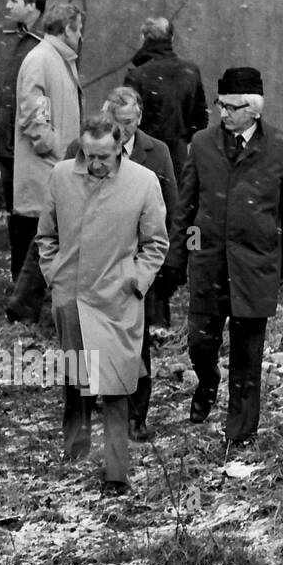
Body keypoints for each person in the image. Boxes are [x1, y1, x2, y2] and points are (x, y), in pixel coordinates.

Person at [161, 66, 283, 445]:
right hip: (208, 263)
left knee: (248, 356)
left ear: (254, 109)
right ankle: (207, 381)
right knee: (199, 342)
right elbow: (185, 208)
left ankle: (240, 433)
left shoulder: (282, 148)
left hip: (255, 267)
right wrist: (176, 258)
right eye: (220, 105)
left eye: (232, 107)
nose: (223, 113)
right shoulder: (203, 144)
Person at [37, 115, 167, 496]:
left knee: (115, 386)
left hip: (117, 299)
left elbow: (156, 243)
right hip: (72, 297)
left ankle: (115, 472)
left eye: (104, 157)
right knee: (77, 379)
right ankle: (75, 450)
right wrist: (55, 277)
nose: (95, 164)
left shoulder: (143, 182)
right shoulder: (61, 176)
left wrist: (136, 282)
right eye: (88, 155)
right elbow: (46, 235)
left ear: (120, 147)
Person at [94, 87, 176, 441]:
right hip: (98, 262)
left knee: (136, 340)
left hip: (137, 262)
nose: (123, 130)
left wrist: (160, 266)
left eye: (129, 122)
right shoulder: (85, 149)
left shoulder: (156, 153)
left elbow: (170, 207)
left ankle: (136, 414)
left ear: (139, 118)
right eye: (116, 122)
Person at [4, 2, 84, 324]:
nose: (81, 37)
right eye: (79, 29)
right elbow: (34, 116)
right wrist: (58, 150)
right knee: (44, 241)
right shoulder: (42, 59)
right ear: (67, 29)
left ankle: (27, 306)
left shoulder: (56, 58)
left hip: (54, 168)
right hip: (47, 169)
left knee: (46, 241)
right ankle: (23, 307)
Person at [0, 0, 46, 281]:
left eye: (14, 2)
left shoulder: (47, 42)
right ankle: (18, 277)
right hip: (6, 141)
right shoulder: (6, 36)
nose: (6, 7)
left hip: (34, 145)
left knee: (37, 215)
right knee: (14, 213)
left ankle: (36, 279)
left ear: (32, 7)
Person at [123, 17, 207, 179]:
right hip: (179, 157)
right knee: (174, 200)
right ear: (172, 38)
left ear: (143, 38)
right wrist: (181, 139)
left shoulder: (137, 76)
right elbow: (201, 119)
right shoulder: (190, 71)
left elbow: (125, 120)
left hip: (143, 157)